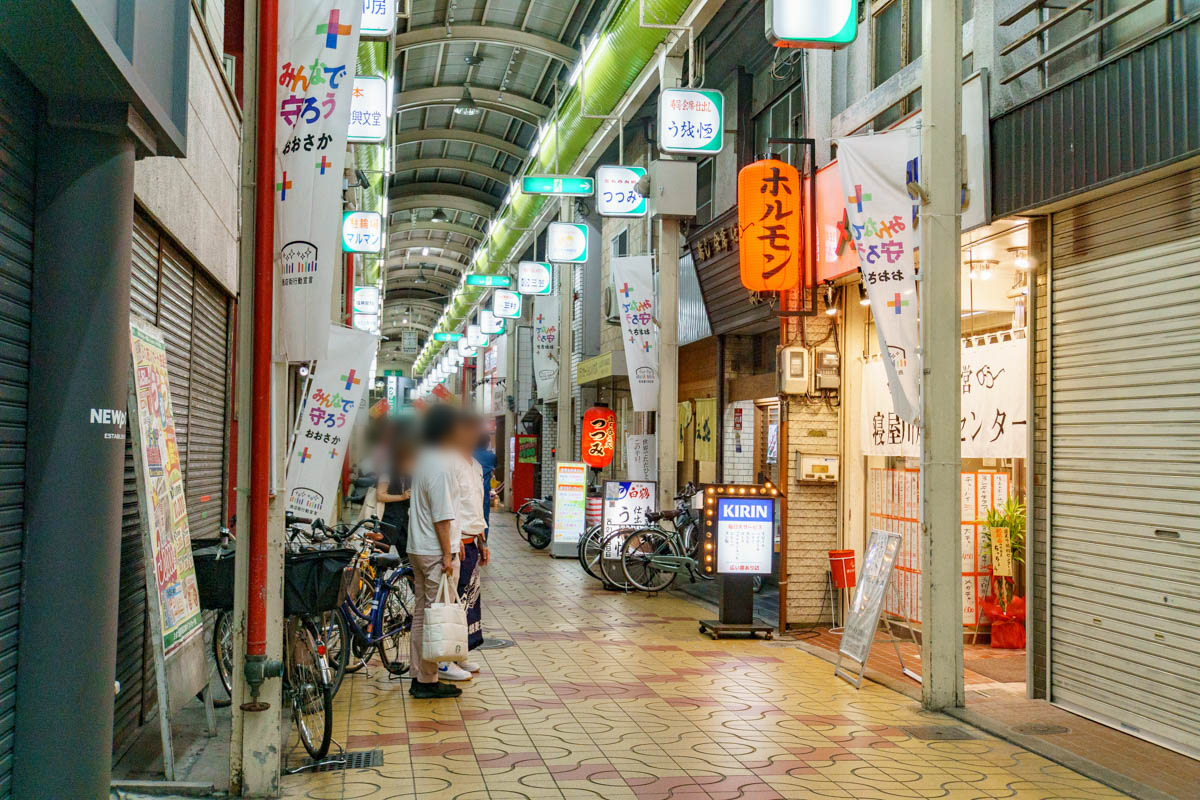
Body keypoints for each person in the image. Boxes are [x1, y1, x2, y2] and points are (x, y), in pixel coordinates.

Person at [406, 405, 463, 699]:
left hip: (417, 547)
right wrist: (447, 553)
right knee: (433, 617)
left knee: (421, 613)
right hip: (433, 550)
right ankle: (427, 681)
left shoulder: (425, 457)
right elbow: (442, 515)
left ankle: (420, 673)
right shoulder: (440, 464)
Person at [442, 415, 488, 681]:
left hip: (473, 540)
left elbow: (476, 505)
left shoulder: (476, 465)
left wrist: (483, 541)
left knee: (468, 601)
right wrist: (454, 537)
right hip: (457, 542)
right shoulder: (451, 464)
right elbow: (449, 505)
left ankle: (460, 653)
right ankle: (444, 659)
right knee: (452, 601)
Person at [375, 426, 413, 554]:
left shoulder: (409, 475)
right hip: (387, 521)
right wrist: (402, 497)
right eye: (409, 460)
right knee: (381, 553)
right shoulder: (388, 471)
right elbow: (380, 495)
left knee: (406, 555)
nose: (412, 463)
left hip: (403, 522)